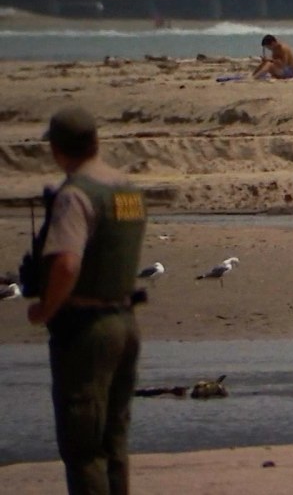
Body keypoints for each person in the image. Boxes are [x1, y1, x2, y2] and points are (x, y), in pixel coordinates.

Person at [27, 106, 148, 495]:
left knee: (83, 448)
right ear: (95, 142)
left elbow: (66, 263)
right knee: (114, 441)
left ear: (58, 150)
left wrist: (46, 308)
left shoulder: (75, 195)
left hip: (86, 329)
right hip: (126, 321)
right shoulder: (127, 189)